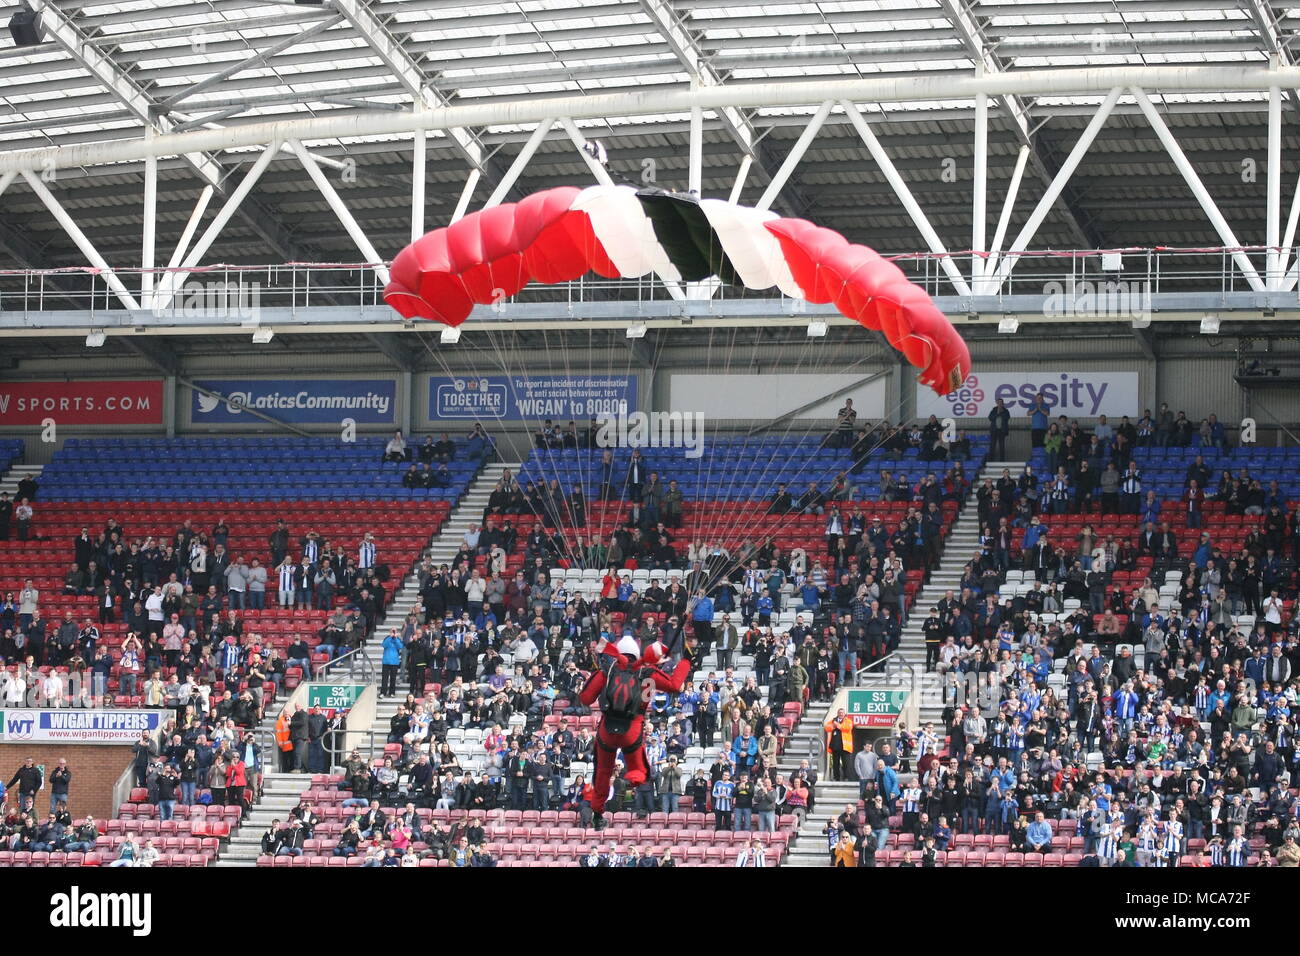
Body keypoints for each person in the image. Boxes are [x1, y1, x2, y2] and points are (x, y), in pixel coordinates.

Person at [577, 636, 691, 831]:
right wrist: (686, 662)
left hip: (607, 729)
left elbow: (585, 698)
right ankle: (634, 778)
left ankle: (597, 813)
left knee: (602, 772)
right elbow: (674, 685)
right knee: (640, 767)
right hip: (633, 728)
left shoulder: (607, 671)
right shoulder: (647, 672)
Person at [824, 708, 855, 781]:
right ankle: (836, 777)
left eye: (842, 713)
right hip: (835, 746)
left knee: (846, 763)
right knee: (835, 763)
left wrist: (837, 725)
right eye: (840, 712)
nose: (841, 714)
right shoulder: (833, 720)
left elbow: (848, 728)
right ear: (837, 713)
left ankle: (846, 777)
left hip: (845, 747)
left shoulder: (848, 721)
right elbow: (827, 728)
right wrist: (834, 726)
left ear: (844, 714)